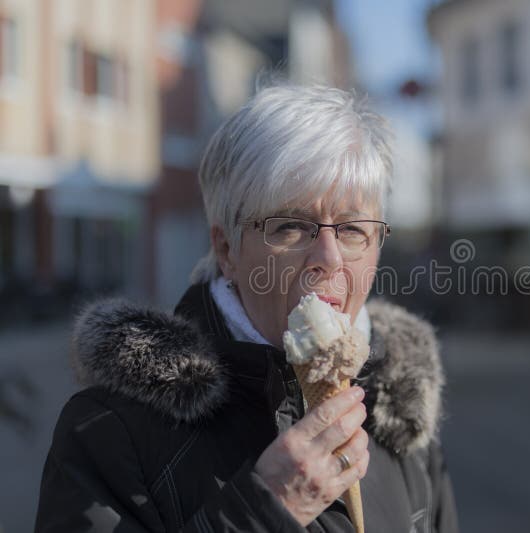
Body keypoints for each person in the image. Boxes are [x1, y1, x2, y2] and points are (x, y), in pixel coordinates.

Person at [34, 84, 458, 532]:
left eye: (353, 229)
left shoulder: (400, 416)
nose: (330, 259)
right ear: (226, 249)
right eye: (291, 226)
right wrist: (265, 511)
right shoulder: (110, 432)